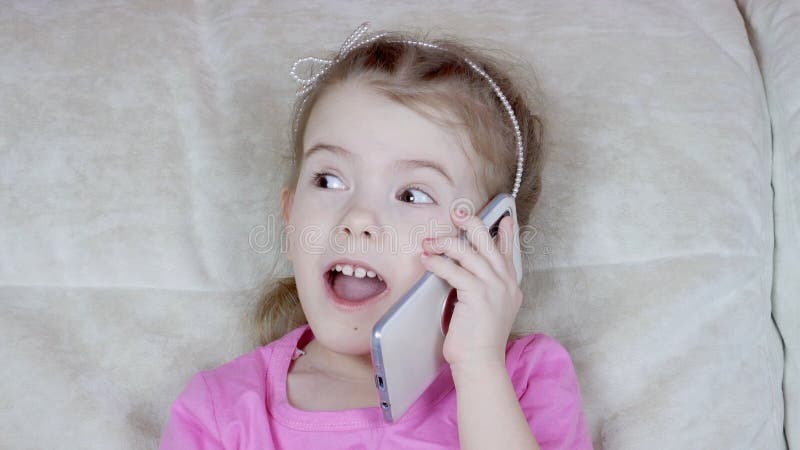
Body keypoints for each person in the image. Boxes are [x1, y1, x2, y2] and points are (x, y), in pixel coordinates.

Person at [159, 22, 592, 450]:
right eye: (329, 180)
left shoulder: (522, 380)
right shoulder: (218, 414)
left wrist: (478, 367)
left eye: (412, 194)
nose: (358, 217)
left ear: (490, 243)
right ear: (289, 220)